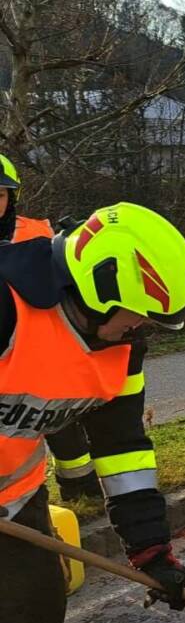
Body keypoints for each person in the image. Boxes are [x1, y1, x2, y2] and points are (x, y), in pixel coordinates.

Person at [0, 203, 185, 623]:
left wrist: (151, 550)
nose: (142, 332)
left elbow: (123, 448)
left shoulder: (120, 342)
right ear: (94, 290)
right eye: (138, 317)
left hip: (13, 502)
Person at [0, 154, 99, 504]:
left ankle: (78, 484)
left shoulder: (37, 232)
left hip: (42, 346)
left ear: (12, 198)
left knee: (57, 422)